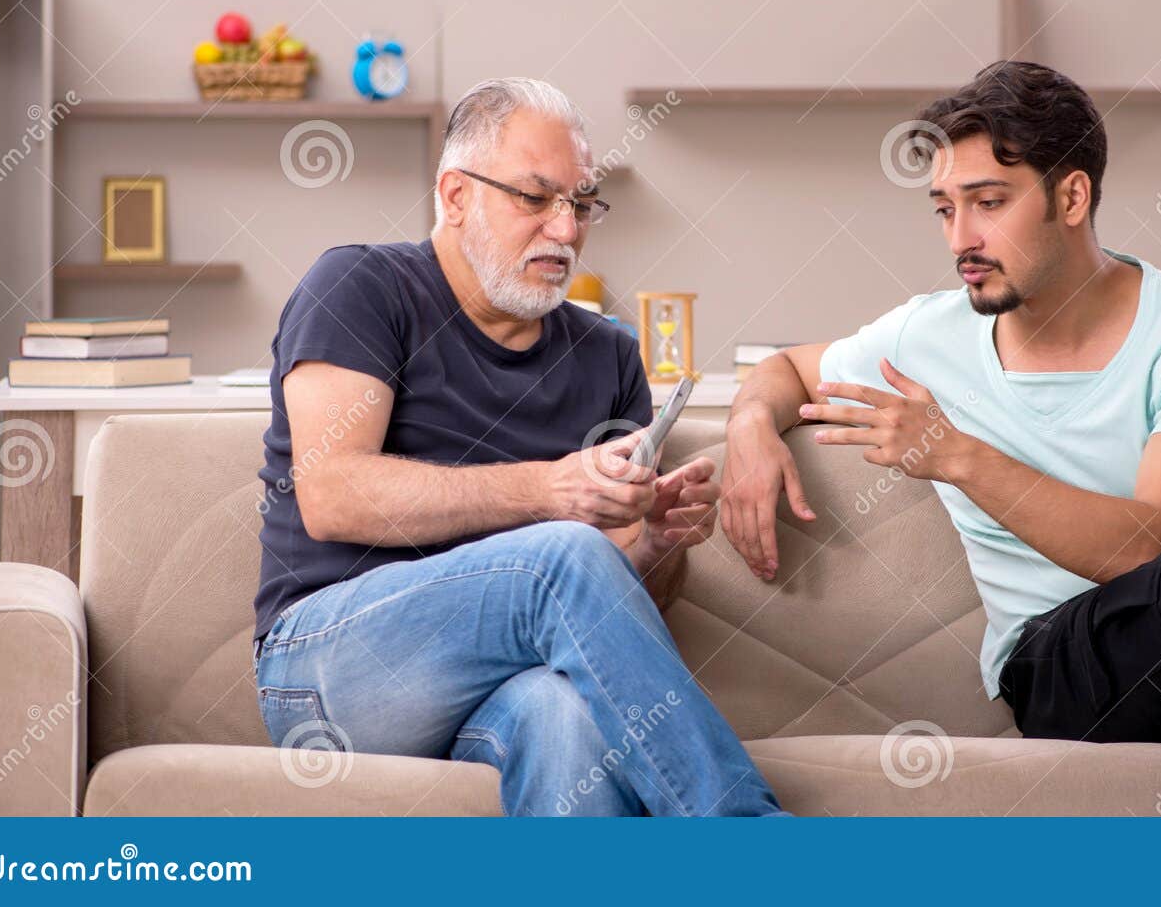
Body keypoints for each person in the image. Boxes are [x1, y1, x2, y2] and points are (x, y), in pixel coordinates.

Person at [719, 60, 1161, 816]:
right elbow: (787, 367)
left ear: (1071, 195)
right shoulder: (925, 335)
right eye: (944, 209)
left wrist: (955, 454)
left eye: (989, 203)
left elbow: (1159, 547)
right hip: (1058, 670)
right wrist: (748, 428)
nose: (960, 239)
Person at [252, 76, 782, 817]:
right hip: (329, 668)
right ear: (457, 194)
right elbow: (331, 495)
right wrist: (549, 491)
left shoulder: (608, 356)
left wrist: (657, 543)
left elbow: (614, 603)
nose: (565, 231)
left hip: (502, 683)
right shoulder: (361, 286)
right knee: (559, 554)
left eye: (582, 203)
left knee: (561, 718)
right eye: (535, 199)